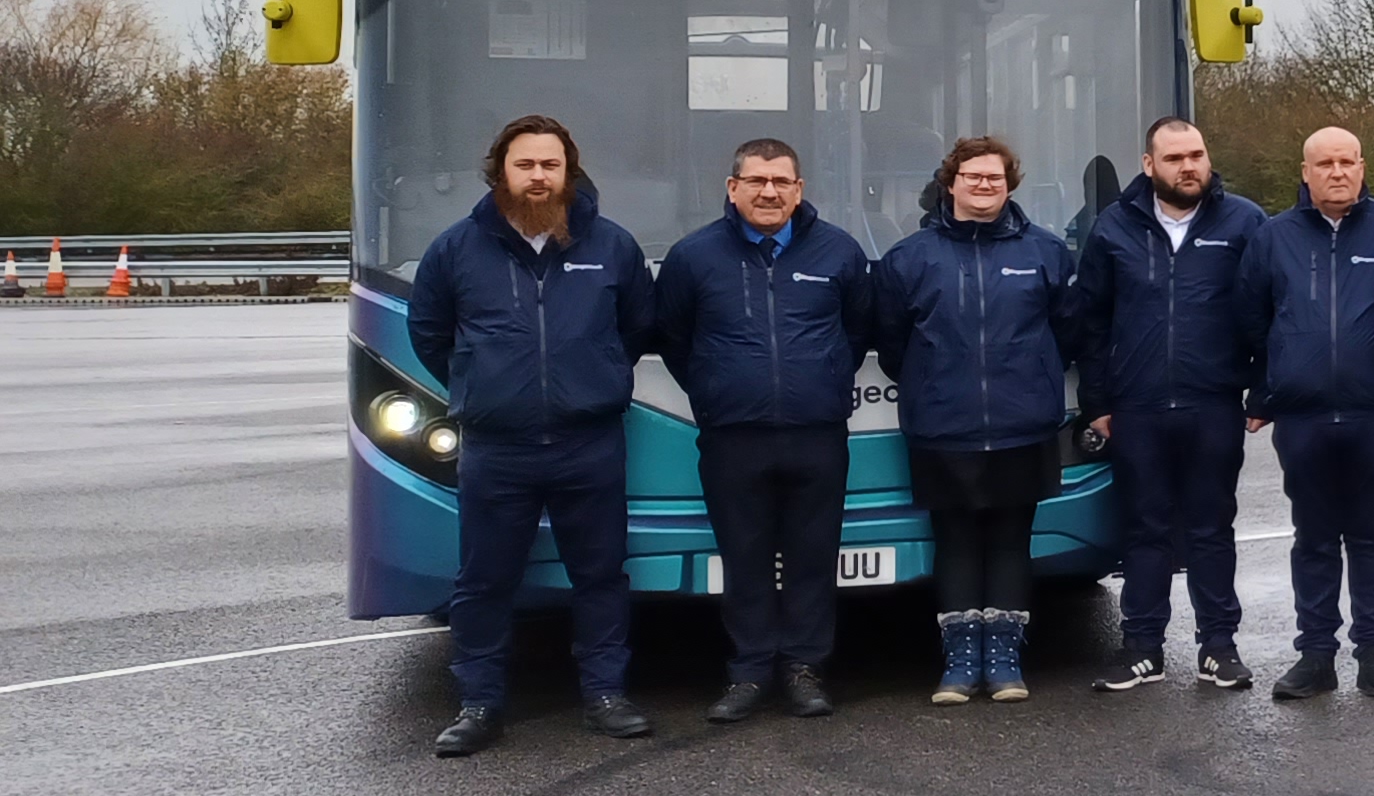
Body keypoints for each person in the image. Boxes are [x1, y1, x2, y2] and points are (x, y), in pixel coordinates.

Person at [407, 116, 656, 757]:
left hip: (589, 442)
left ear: (569, 171)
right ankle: (480, 702)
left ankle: (605, 695)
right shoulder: (455, 249)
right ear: (501, 172)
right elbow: (431, 335)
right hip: (498, 448)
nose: (539, 177)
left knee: (600, 576)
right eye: (526, 166)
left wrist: (588, 381)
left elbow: (634, 330)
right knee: (485, 581)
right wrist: (486, 387)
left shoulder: (614, 246)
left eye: (551, 166)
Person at [650, 135, 870, 725]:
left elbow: (857, 331)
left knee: (812, 556)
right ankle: (748, 672)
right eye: (756, 181)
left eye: (781, 182)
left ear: (799, 190)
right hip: (732, 436)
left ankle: (803, 669)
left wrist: (819, 380)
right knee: (743, 557)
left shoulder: (839, 252)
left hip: (817, 433)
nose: (769, 192)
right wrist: (717, 387)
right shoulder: (693, 257)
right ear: (733, 188)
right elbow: (672, 338)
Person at [1062, 116, 1269, 692]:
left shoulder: (1245, 222)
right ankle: (1142, 648)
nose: (1188, 166)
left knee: (1211, 528)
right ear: (1150, 165)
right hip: (1139, 406)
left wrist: (1263, 387)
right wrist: (1097, 400)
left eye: (1197, 155)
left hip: (1214, 403)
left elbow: (1272, 311)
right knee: (1145, 530)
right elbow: (1092, 323)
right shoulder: (1114, 228)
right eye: (1175, 158)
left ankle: (1219, 647)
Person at [870, 134, 1074, 705]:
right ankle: (960, 664)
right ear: (950, 183)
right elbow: (891, 342)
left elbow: (1071, 330)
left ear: (1010, 184)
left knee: (1012, 541)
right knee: (955, 541)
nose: (984, 186)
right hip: (943, 425)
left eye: (995, 177)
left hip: (1023, 423)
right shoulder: (910, 258)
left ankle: (1005, 660)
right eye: (973, 176)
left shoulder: (1046, 253)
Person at [1235, 125, 1374, 702]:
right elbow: (1251, 317)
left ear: (1362, 167)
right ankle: (1316, 654)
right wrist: (1273, 384)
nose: (1337, 172)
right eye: (1325, 163)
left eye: (1347, 162)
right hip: (1304, 416)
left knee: (1371, 533)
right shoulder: (1273, 237)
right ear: (1305, 171)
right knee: (1312, 536)